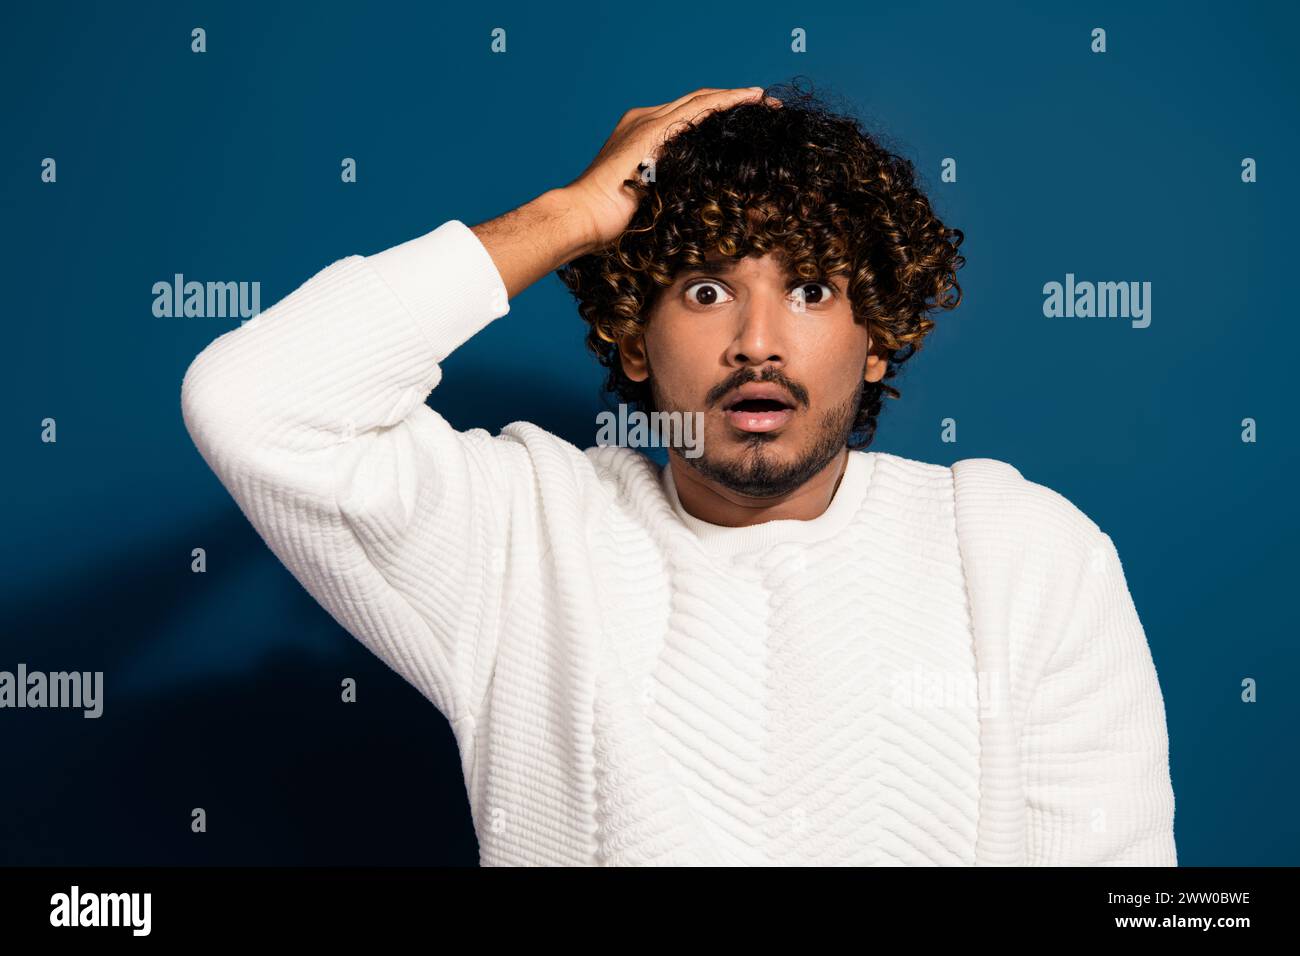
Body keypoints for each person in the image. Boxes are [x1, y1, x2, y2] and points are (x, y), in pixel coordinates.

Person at [180, 82, 1177, 866]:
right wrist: (571, 212)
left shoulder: (1022, 556)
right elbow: (252, 400)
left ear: (876, 339)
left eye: (811, 289)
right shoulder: (522, 535)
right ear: (633, 337)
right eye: (706, 289)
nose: (756, 342)